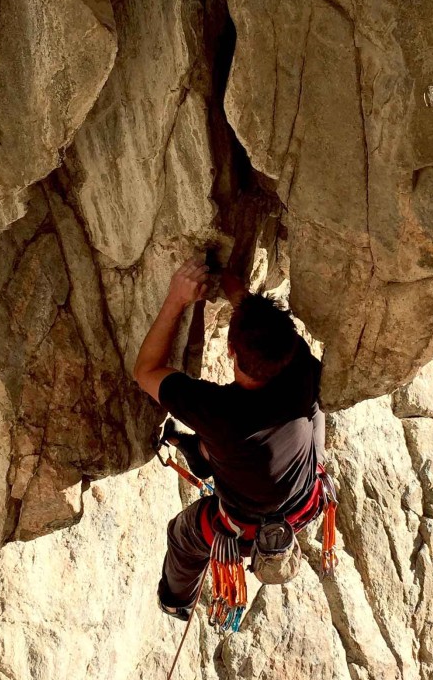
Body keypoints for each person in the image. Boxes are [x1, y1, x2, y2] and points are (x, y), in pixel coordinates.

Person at [133, 259, 325, 621]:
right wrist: (232, 285)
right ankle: (200, 453)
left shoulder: (218, 412)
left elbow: (145, 371)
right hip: (304, 498)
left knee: (183, 535)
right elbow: (265, 325)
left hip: (246, 525)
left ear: (230, 351)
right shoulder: (297, 365)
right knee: (315, 406)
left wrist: (176, 299)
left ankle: (176, 600)